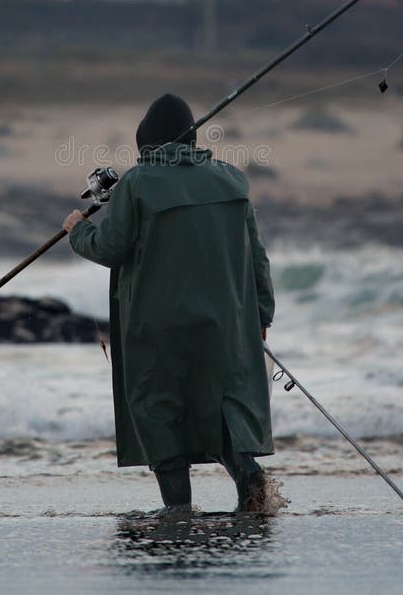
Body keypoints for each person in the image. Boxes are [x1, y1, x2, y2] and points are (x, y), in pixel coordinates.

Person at [63, 93, 275, 514]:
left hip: (156, 326)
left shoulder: (137, 183)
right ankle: (247, 475)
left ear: (146, 142)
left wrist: (76, 231)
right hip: (226, 324)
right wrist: (262, 317)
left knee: (159, 408)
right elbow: (257, 258)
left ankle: (178, 509)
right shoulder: (232, 180)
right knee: (221, 408)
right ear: (192, 137)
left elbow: (110, 247)